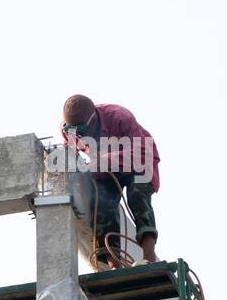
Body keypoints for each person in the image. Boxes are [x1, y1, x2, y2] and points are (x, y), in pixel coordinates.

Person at [61, 94, 160, 266]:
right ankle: (113, 262)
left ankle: (148, 258)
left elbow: (140, 152)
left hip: (139, 160)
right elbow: (71, 157)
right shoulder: (69, 132)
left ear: (93, 119)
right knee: (101, 203)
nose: (78, 136)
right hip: (104, 169)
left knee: (138, 196)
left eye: (81, 131)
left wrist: (102, 161)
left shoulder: (119, 117)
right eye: (73, 131)